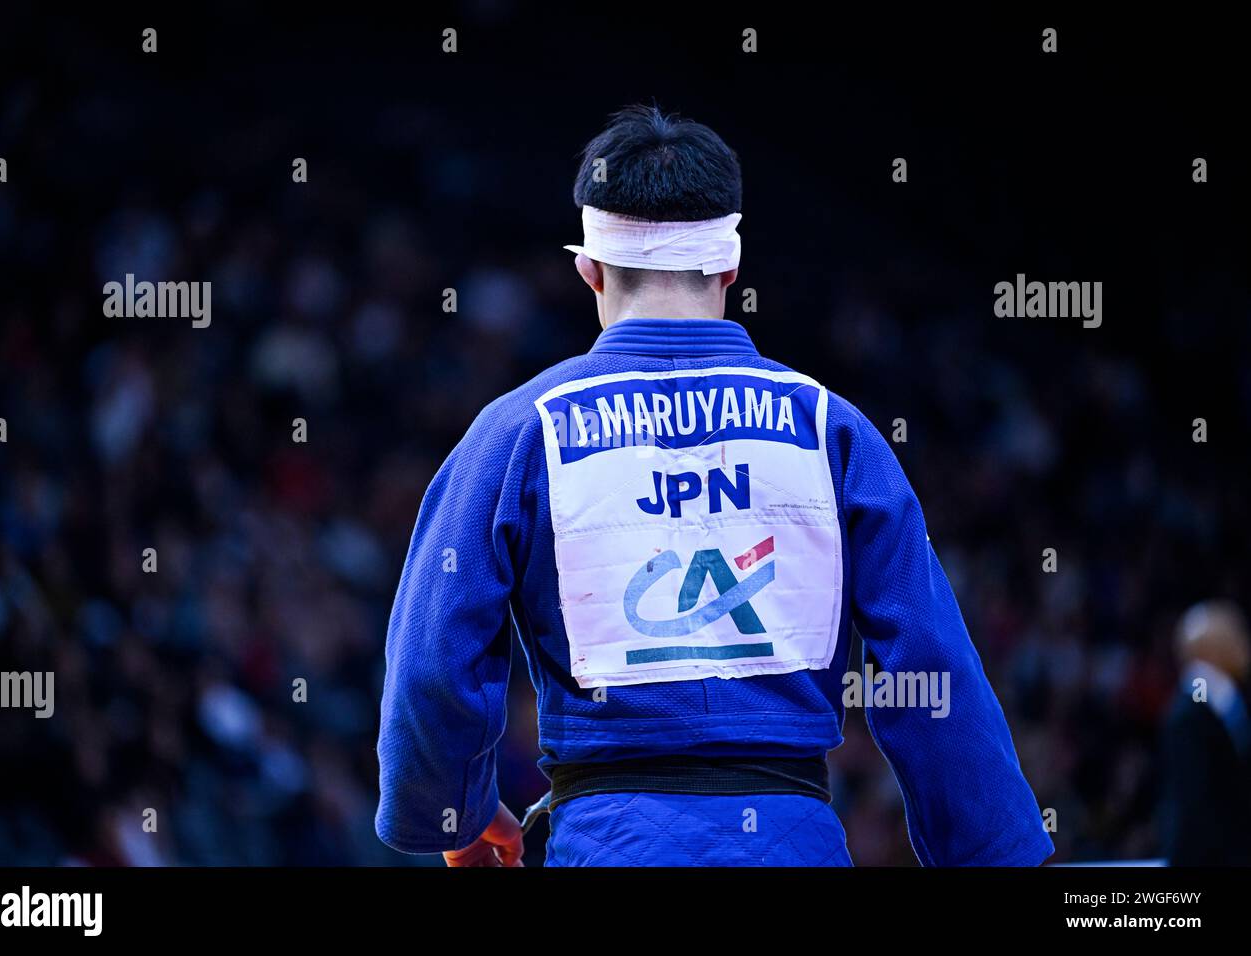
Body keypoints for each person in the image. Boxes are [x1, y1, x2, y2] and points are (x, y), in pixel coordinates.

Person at [375, 105, 1052, 866]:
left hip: (608, 845)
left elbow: (434, 662)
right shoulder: (833, 430)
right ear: (730, 266)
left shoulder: (516, 434)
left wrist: (456, 817)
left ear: (589, 270)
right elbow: (929, 668)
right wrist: (991, 853)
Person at [1160, 600, 1251, 865]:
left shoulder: (1223, 701)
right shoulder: (1189, 715)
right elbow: (1196, 807)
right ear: (1212, 648)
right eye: (1235, 635)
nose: (1244, 644)